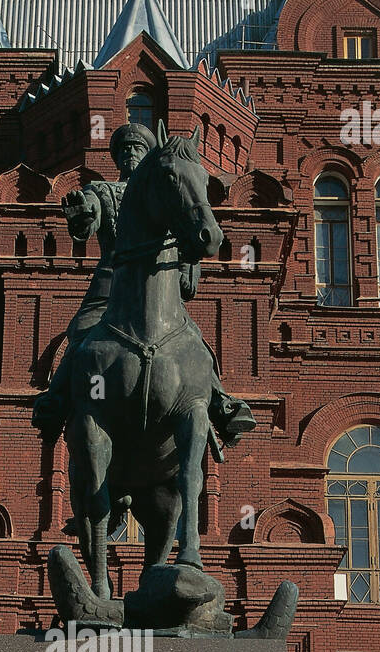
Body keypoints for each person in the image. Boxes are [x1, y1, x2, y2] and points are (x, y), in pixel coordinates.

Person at [31, 122, 253, 452]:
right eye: (124, 150)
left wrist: (190, 260)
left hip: (159, 296)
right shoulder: (104, 191)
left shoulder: (162, 192)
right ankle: (55, 401)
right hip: (109, 293)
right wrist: (82, 211)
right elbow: (89, 216)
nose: (130, 155)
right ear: (117, 158)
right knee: (79, 338)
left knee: (195, 341)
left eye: (137, 149)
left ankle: (220, 404)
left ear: (149, 156)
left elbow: (185, 224)